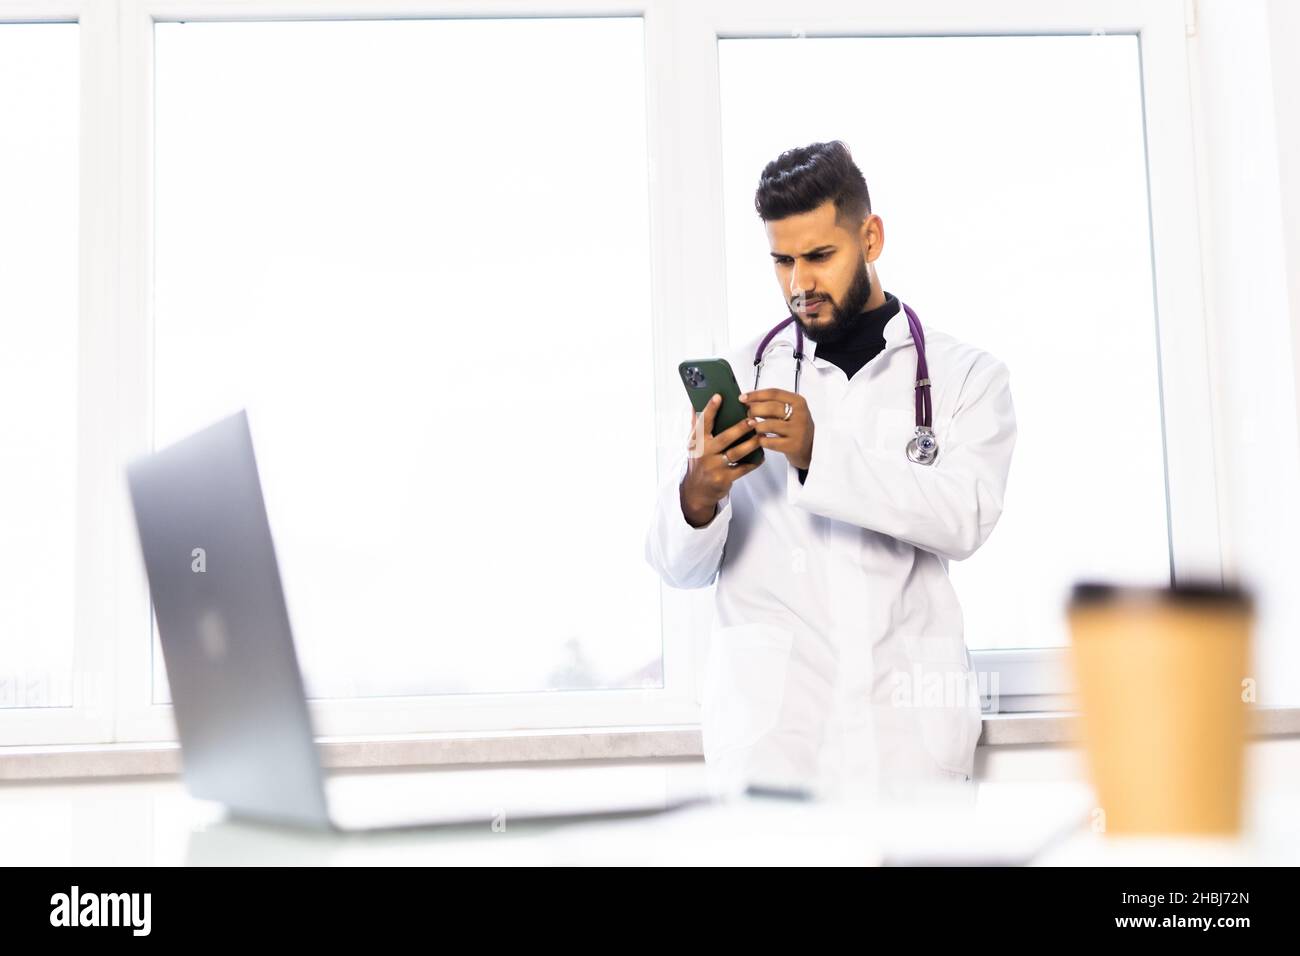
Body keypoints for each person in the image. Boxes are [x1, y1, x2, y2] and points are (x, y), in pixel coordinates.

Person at [644, 140, 1018, 799]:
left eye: (819, 256)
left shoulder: (968, 378)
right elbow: (679, 567)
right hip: (775, 742)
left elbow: (965, 518)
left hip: (907, 742)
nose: (799, 284)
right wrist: (697, 494)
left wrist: (820, 454)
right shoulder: (740, 377)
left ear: (870, 237)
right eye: (782, 261)